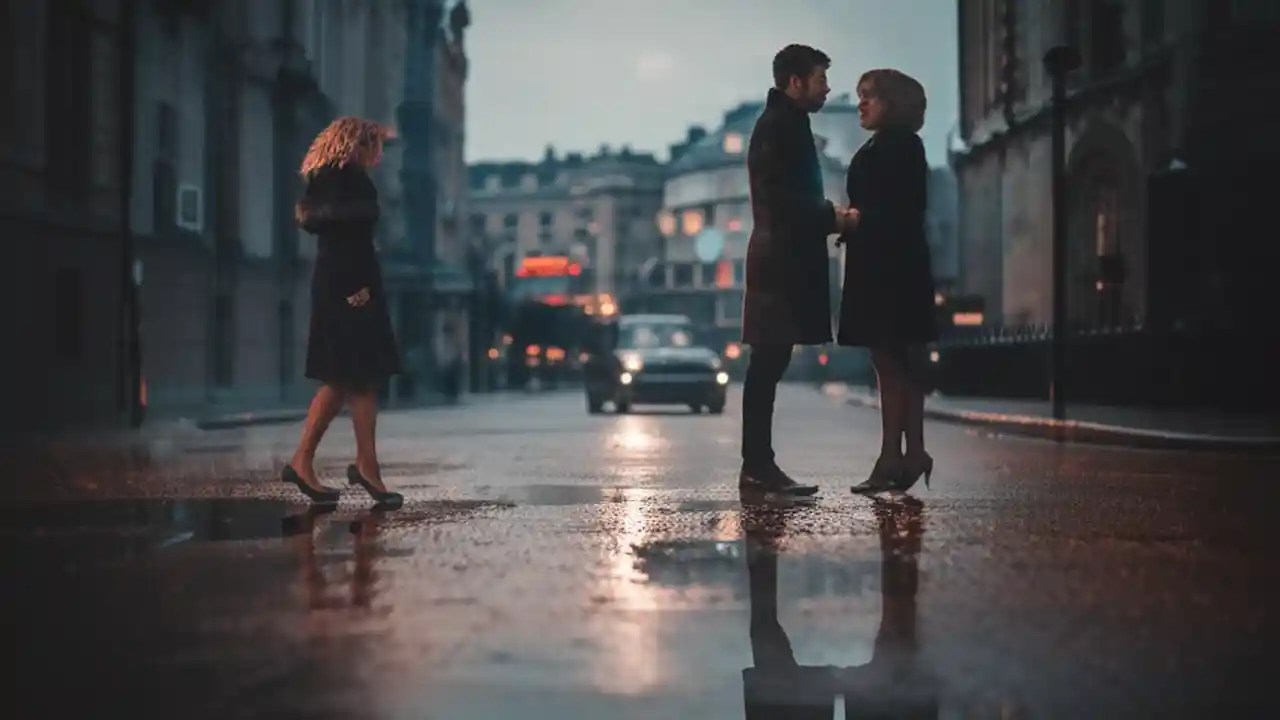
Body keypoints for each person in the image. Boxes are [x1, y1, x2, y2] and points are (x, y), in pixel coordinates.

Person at [740, 44, 859, 495]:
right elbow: (784, 199)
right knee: (767, 362)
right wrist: (834, 217)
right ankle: (757, 467)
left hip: (782, 257)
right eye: (820, 79)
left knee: (770, 361)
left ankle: (759, 465)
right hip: (779, 261)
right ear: (795, 82)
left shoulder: (787, 123)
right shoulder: (779, 126)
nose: (827, 88)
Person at [283, 117, 403, 507]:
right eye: (375, 147)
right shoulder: (348, 181)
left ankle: (311, 461)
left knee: (345, 378)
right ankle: (362, 467)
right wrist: (358, 286)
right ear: (357, 145)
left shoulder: (329, 181)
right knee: (359, 378)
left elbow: (336, 236)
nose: (379, 156)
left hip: (341, 284)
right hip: (350, 288)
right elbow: (346, 243)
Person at [836, 69, 937, 494]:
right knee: (891, 362)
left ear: (892, 103)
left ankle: (897, 455)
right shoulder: (882, 145)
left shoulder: (902, 146)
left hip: (892, 265)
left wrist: (854, 220)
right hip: (881, 261)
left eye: (870, 96)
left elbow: (903, 209)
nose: (861, 103)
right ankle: (906, 453)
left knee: (895, 362)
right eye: (860, 95)